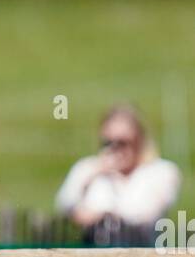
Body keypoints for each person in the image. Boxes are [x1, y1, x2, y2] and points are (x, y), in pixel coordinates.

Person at [55, 105, 182, 245]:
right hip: (93, 251)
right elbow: (65, 203)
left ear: (138, 141)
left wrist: (103, 214)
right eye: (108, 142)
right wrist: (95, 174)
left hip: (143, 252)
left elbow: (146, 213)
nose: (115, 148)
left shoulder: (161, 171)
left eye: (123, 142)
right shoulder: (88, 168)